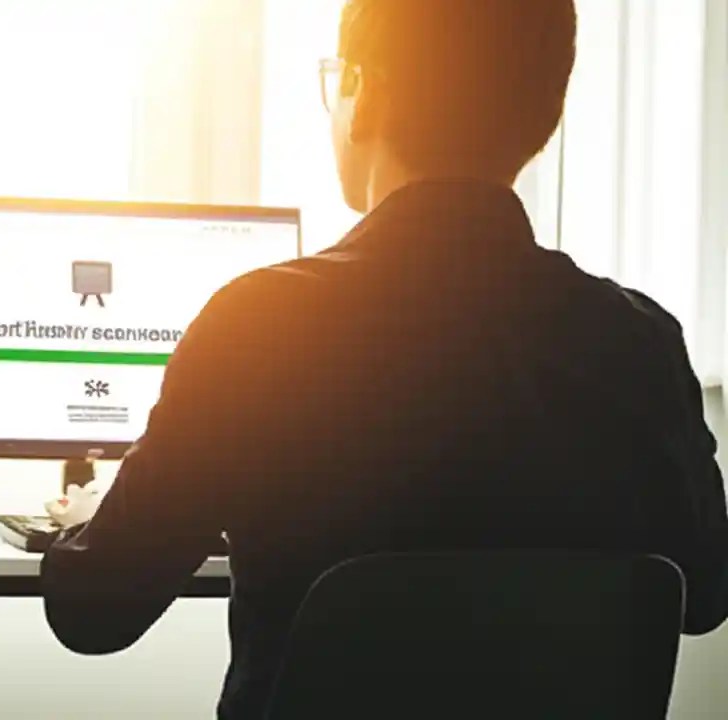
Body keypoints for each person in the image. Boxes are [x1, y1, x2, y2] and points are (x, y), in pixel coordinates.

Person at [39, 0, 728, 718]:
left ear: (361, 89)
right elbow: (705, 594)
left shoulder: (262, 324)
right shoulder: (640, 342)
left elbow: (94, 614)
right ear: (545, 114)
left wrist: (98, 518)